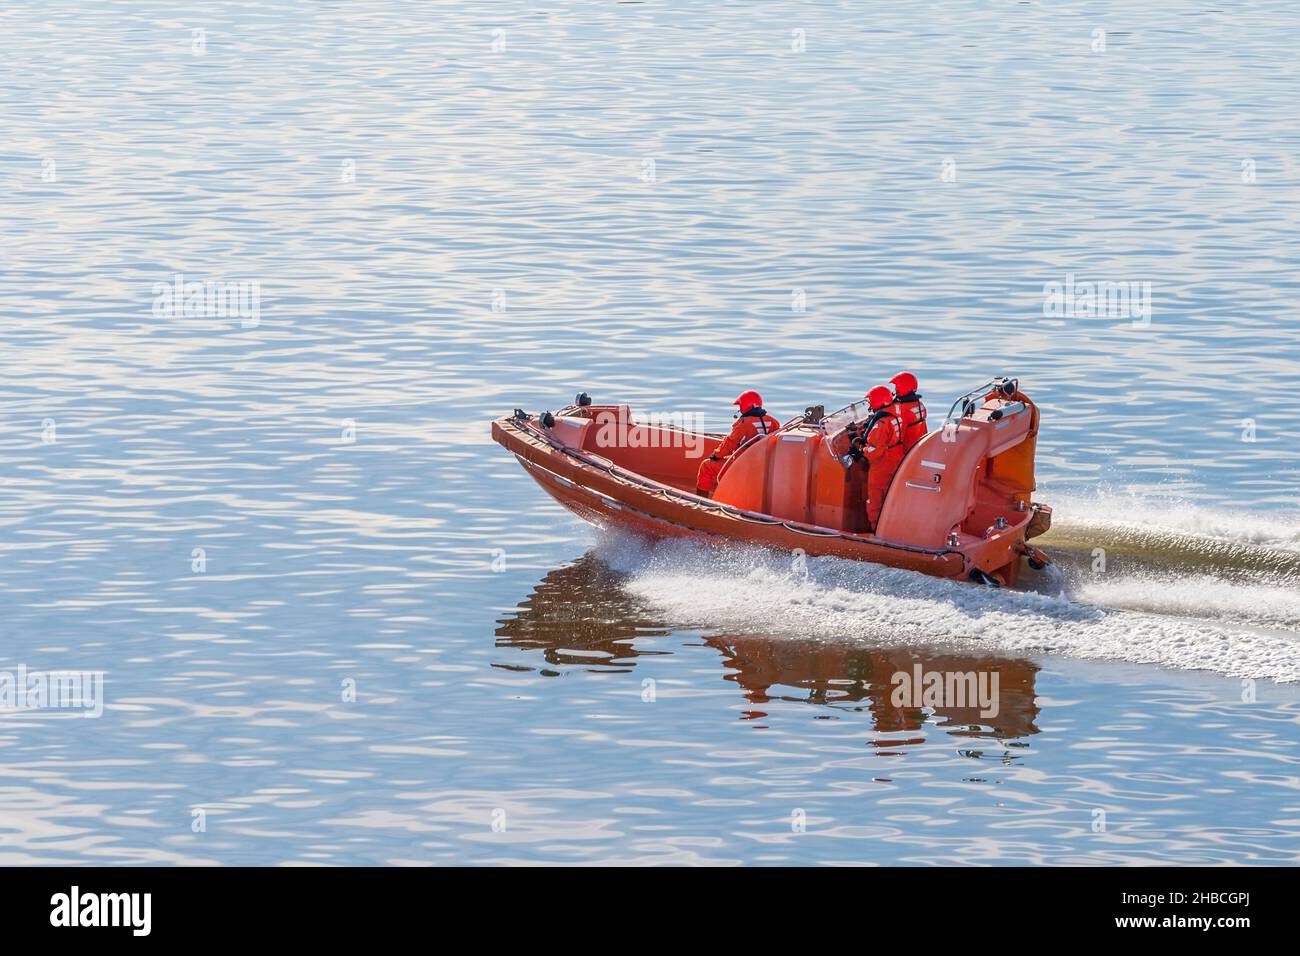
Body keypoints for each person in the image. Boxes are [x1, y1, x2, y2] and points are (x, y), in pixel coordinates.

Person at [695, 390, 781, 497]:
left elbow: (729, 444)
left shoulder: (743, 423)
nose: (740, 409)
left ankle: (701, 501)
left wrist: (716, 455)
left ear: (745, 406)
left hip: (742, 466)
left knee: (706, 466)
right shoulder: (774, 422)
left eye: (740, 406)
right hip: (763, 466)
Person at [857, 385, 906, 530]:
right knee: (889, 496)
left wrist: (861, 451)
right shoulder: (896, 416)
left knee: (876, 499)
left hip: (882, 465)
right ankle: (890, 528)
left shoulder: (881, 423)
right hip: (895, 458)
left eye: (871, 401)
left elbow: (874, 451)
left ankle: (876, 530)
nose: (870, 405)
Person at [889, 371, 928, 451]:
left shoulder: (902, 409)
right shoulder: (919, 403)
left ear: (903, 387)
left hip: (908, 450)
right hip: (921, 445)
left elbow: (897, 433)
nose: (895, 389)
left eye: (897, 386)